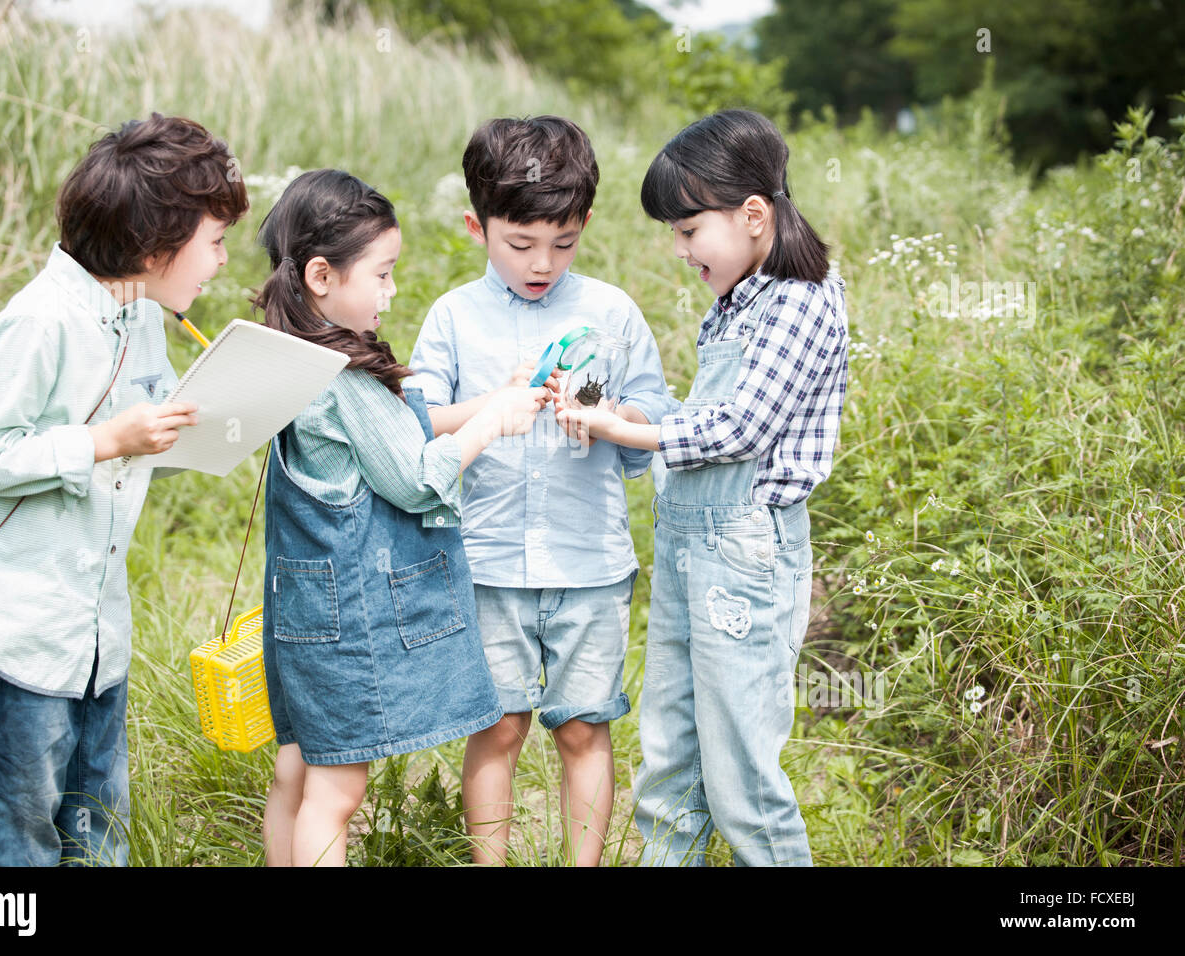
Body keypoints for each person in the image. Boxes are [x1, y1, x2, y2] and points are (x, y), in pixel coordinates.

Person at [0, 113, 249, 865]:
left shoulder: (141, 316)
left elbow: (146, 441)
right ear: (152, 249)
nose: (221, 258)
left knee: (99, 811)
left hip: (98, 624)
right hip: (31, 621)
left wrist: (228, 419)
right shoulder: (39, 325)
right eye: (212, 242)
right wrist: (106, 440)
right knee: (28, 818)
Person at [556, 109, 850, 866]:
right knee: (670, 772)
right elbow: (708, 418)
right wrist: (625, 412)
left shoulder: (800, 297)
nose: (680, 250)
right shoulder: (737, 303)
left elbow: (745, 429)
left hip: (746, 554)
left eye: (689, 230)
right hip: (694, 551)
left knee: (741, 784)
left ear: (754, 215)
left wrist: (627, 433)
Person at [254, 169, 550, 867]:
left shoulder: (294, 357)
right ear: (322, 275)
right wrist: (492, 428)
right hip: (348, 619)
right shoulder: (341, 374)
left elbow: (397, 434)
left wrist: (488, 402)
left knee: (297, 770)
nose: (391, 291)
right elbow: (418, 478)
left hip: (303, 609)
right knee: (337, 791)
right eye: (382, 275)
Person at [410, 116, 672, 866]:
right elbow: (420, 423)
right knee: (497, 728)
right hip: (487, 564)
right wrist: (493, 406)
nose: (542, 262)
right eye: (520, 244)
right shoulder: (455, 317)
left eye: (562, 243)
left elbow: (654, 411)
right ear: (476, 226)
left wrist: (609, 417)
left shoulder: (613, 313)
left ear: (584, 224)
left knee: (584, 727)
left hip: (588, 564)